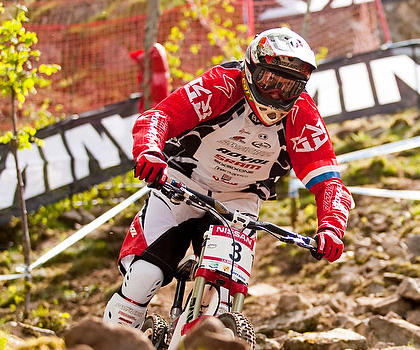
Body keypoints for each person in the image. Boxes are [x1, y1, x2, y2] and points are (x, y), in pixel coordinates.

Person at [103, 27, 352, 328]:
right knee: (144, 277)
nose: (276, 94)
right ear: (251, 69)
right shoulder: (221, 86)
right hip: (181, 185)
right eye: (270, 80)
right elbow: (160, 117)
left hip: (239, 201)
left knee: (220, 295)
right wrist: (150, 152)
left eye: (288, 87)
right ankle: (114, 349)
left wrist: (331, 228)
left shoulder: (301, 114)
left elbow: (330, 184)